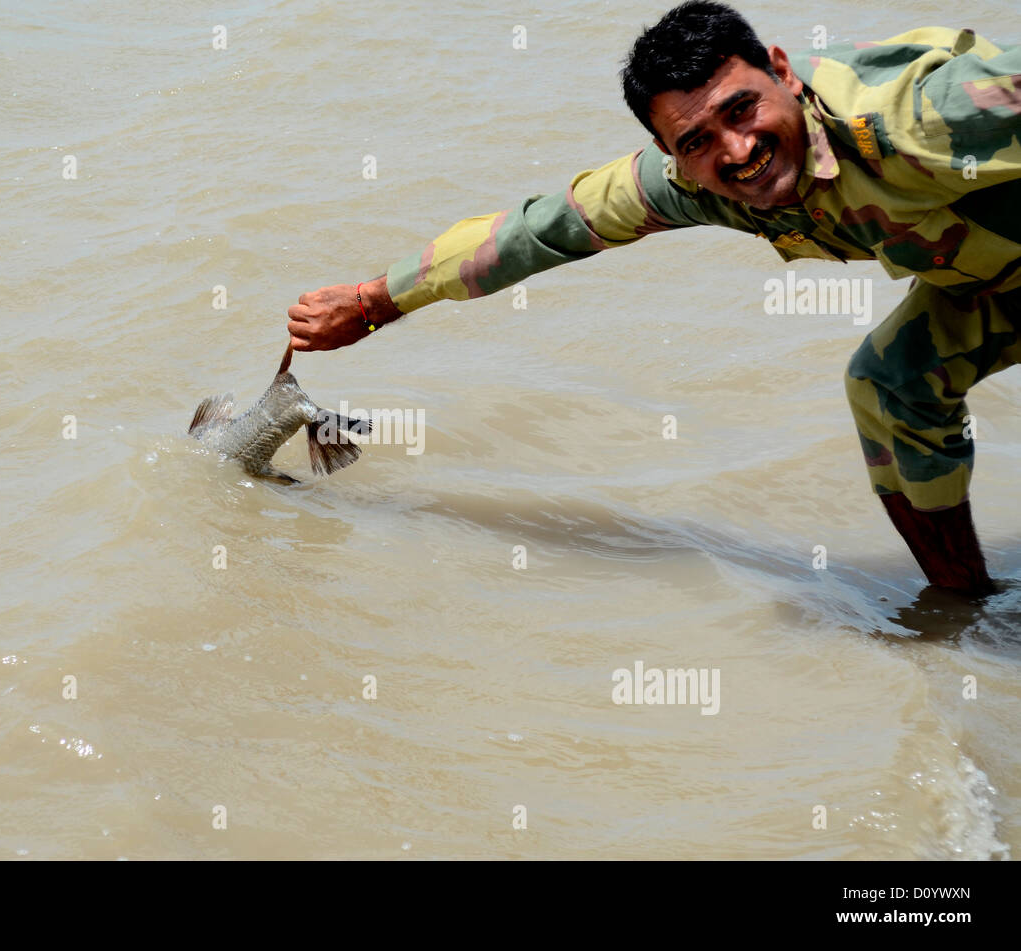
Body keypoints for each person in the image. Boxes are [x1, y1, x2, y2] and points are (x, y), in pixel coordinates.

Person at [286, 1, 1021, 597]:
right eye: (697, 140)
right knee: (888, 386)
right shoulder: (693, 184)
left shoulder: (926, 118)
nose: (737, 152)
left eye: (742, 111)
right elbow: (537, 231)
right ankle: (964, 614)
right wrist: (377, 300)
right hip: (990, 281)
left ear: (785, 75)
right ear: (673, 156)